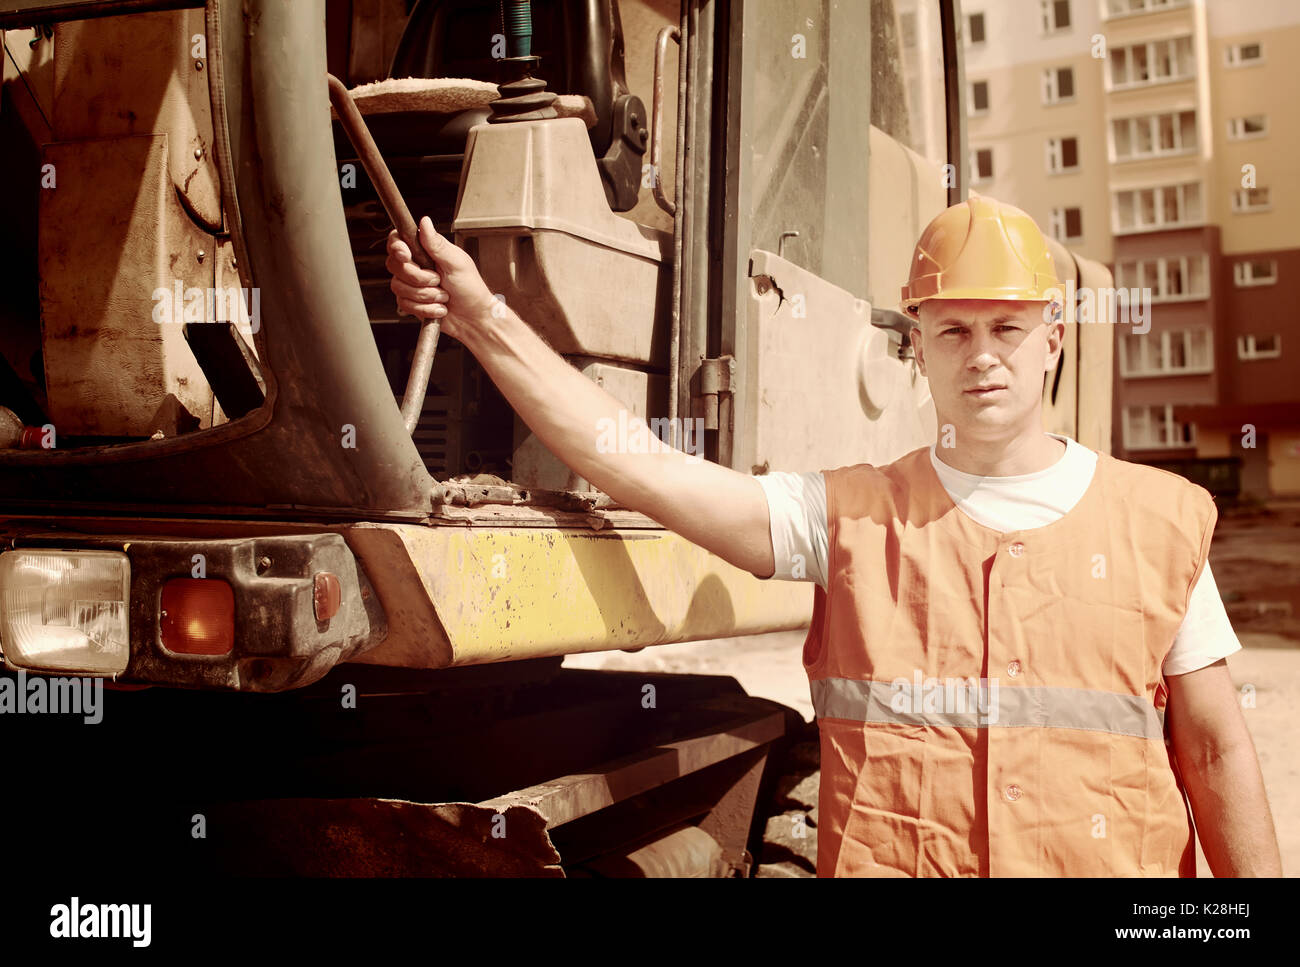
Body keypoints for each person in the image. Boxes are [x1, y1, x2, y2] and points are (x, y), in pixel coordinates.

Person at [386, 195, 1282, 877]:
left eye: (1009, 328)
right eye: (954, 330)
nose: (983, 355)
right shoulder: (847, 514)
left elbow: (1212, 747)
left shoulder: (1158, 521)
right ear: (917, 346)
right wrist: (483, 318)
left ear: (1053, 340)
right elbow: (647, 469)